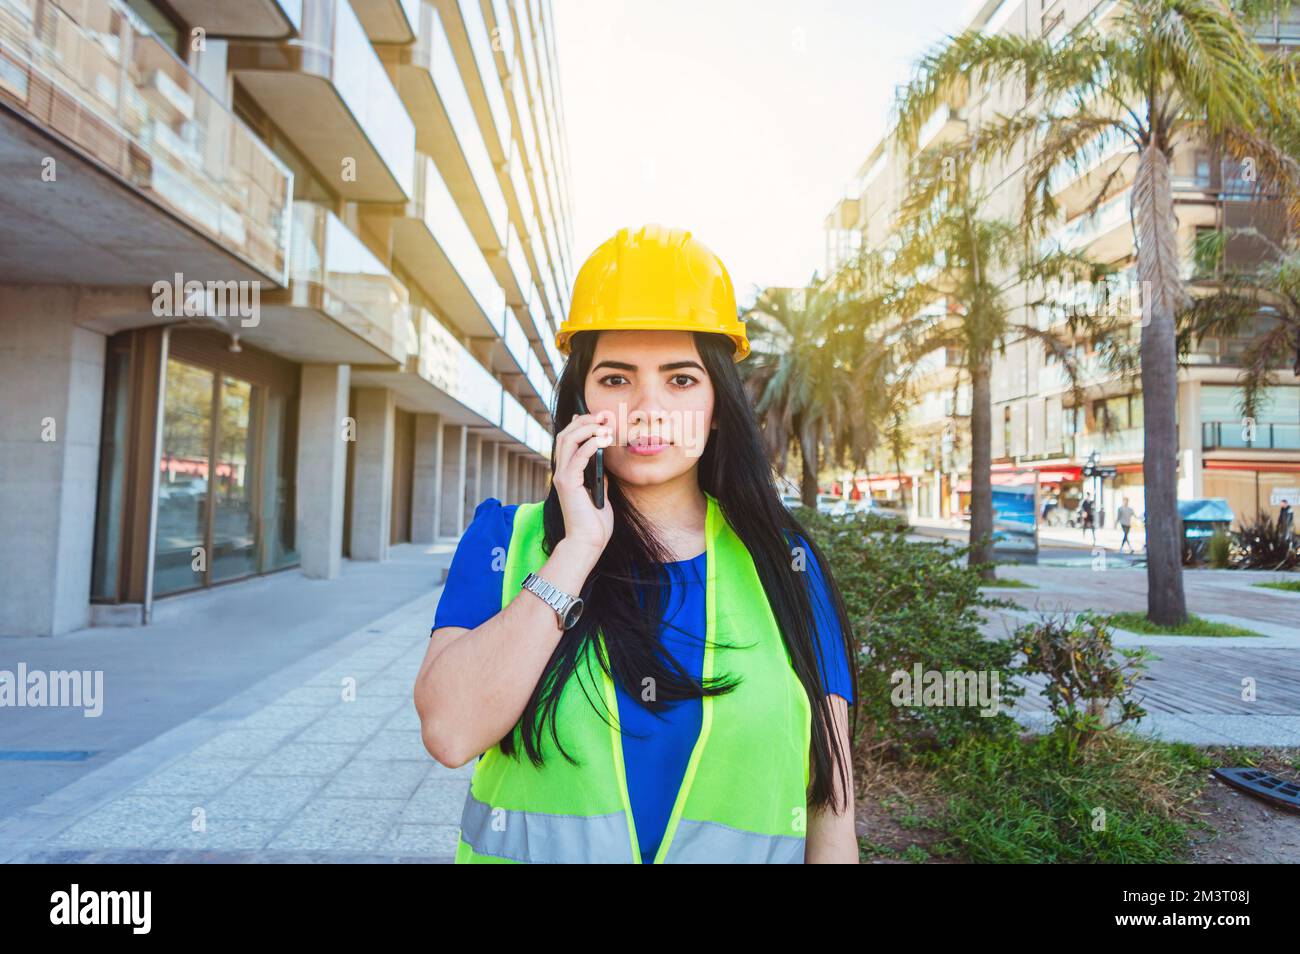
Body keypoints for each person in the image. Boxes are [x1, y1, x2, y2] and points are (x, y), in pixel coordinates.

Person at [414, 225, 859, 864]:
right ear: (581, 398)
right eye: (617, 379)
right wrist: (575, 551)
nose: (648, 409)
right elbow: (451, 732)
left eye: (680, 380)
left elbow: (831, 803)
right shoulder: (505, 541)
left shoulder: (787, 565)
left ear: (716, 402)